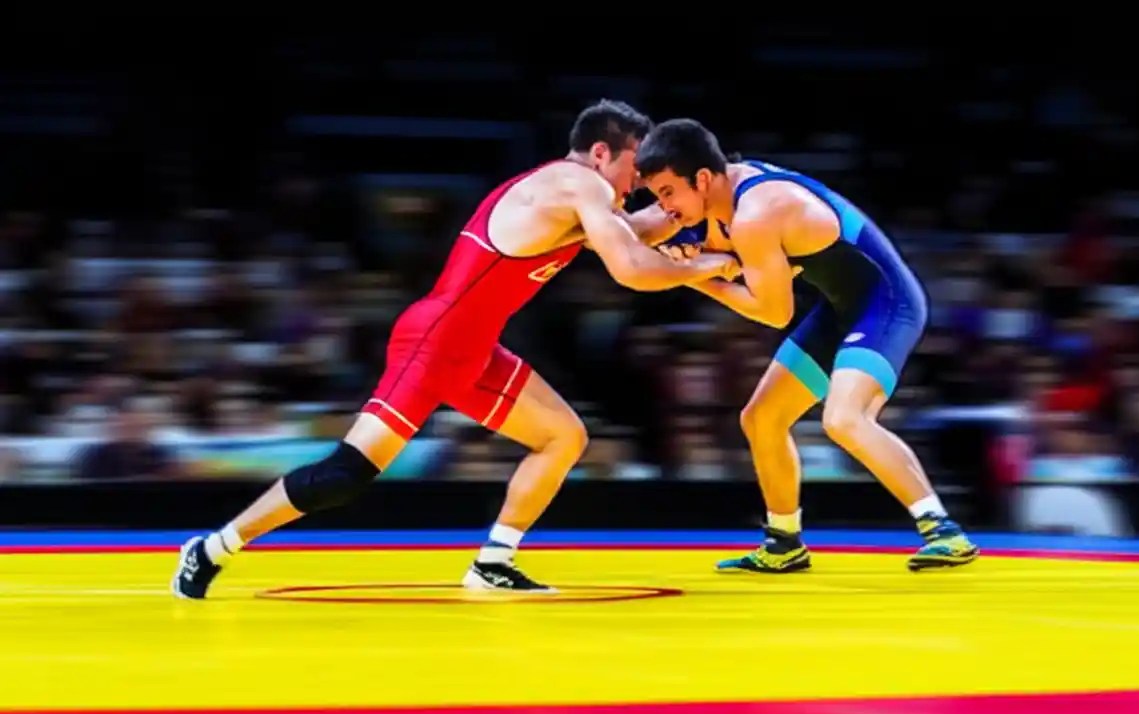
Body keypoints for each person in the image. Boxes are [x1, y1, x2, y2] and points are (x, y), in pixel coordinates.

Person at [171, 101, 740, 599]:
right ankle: (214, 546)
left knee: (564, 437)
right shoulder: (577, 186)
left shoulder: (578, 197)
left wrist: (683, 217)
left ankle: (494, 562)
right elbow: (631, 267)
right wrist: (715, 264)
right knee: (345, 476)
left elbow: (634, 234)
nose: (638, 181)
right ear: (598, 153)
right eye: (634, 166)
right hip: (433, 344)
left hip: (471, 352)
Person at [635, 118, 978, 572]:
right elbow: (643, 230)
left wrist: (696, 275)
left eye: (667, 193)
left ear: (701, 179)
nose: (666, 208)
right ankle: (784, 542)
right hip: (841, 309)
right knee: (762, 418)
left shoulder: (757, 213)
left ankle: (943, 530)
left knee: (844, 418)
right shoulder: (724, 194)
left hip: (887, 304)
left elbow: (772, 312)